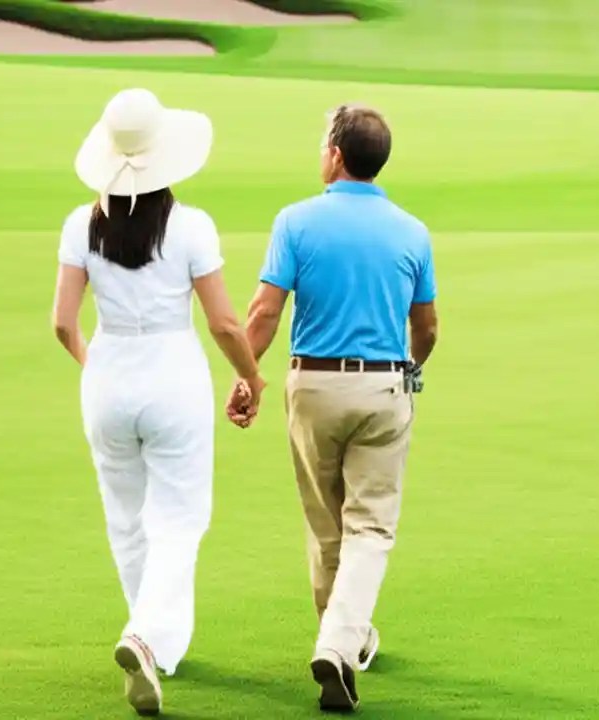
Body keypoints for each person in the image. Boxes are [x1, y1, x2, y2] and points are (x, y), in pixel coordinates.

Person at [52, 88, 264, 717]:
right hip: (174, 376)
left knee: (126, 517)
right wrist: (251, 377)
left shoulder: (80, 224)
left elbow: (63, 323)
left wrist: (98, 367)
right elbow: (224, 323)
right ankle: (145, 636)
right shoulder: (191, 225)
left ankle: (156, 642)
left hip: (108, 376)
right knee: (180, 518)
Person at [229, 105, 439, 712]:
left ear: (337, 154)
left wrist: (247, 376)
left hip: (313, 386)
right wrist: (411, 369)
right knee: (369, 527)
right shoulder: (412, 231)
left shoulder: (295, 221)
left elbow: (264, 312)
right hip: (382, 387)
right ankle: (341, 642)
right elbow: (426, 327)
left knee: (327, 526)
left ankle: (339, 637)